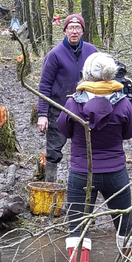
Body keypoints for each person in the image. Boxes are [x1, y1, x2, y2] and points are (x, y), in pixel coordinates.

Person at [57, 52, 132, 262]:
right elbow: (130, 132)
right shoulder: (123, 103)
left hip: (82, 174)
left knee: (77, 230)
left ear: (87, 74)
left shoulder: (73, 102)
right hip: (116, 174)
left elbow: (64, 129)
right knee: (125, 226)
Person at [36, 14, 97, 183]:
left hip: (85, 110)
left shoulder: (92, 52)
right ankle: (50, 184)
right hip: (59, 109)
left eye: (78, 28)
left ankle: (86, 185)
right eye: (71, 28)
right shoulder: (55, 55)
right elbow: (44, 85)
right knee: (54, 151)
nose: (74, 32)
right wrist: (42, 114)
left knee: (86, 149)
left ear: (83, 31)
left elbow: (100, 80)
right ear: (64, 31)